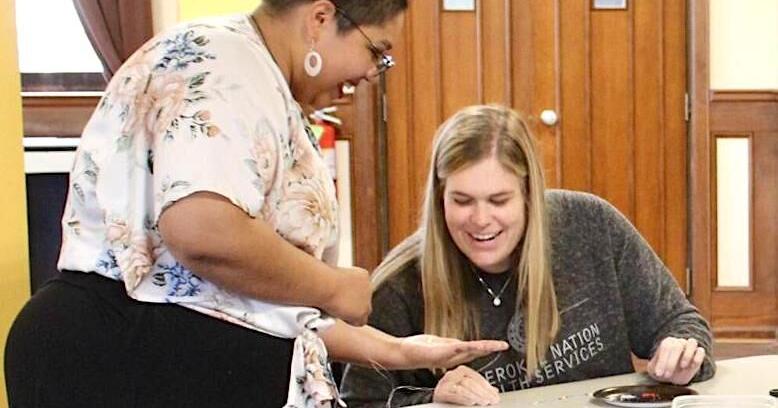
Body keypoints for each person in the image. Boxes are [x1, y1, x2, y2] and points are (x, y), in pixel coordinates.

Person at [4, 2, 509, 407]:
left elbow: (251, 301)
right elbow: (202, 230)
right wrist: (334, 286)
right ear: (320, 19)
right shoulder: (228, 61)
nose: (373, 73)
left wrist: (398, 351)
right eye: (375, 51)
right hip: (125, 358)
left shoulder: (262, 82)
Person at [339, 104, 716, 407]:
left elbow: (680, 322)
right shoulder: (401, 282)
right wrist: (430, 398)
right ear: (439, 200)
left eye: (499, 200)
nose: (481, 220)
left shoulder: (590, 225)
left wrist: (681, 352)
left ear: (529, 196)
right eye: (462, 201)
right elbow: (358, 399)